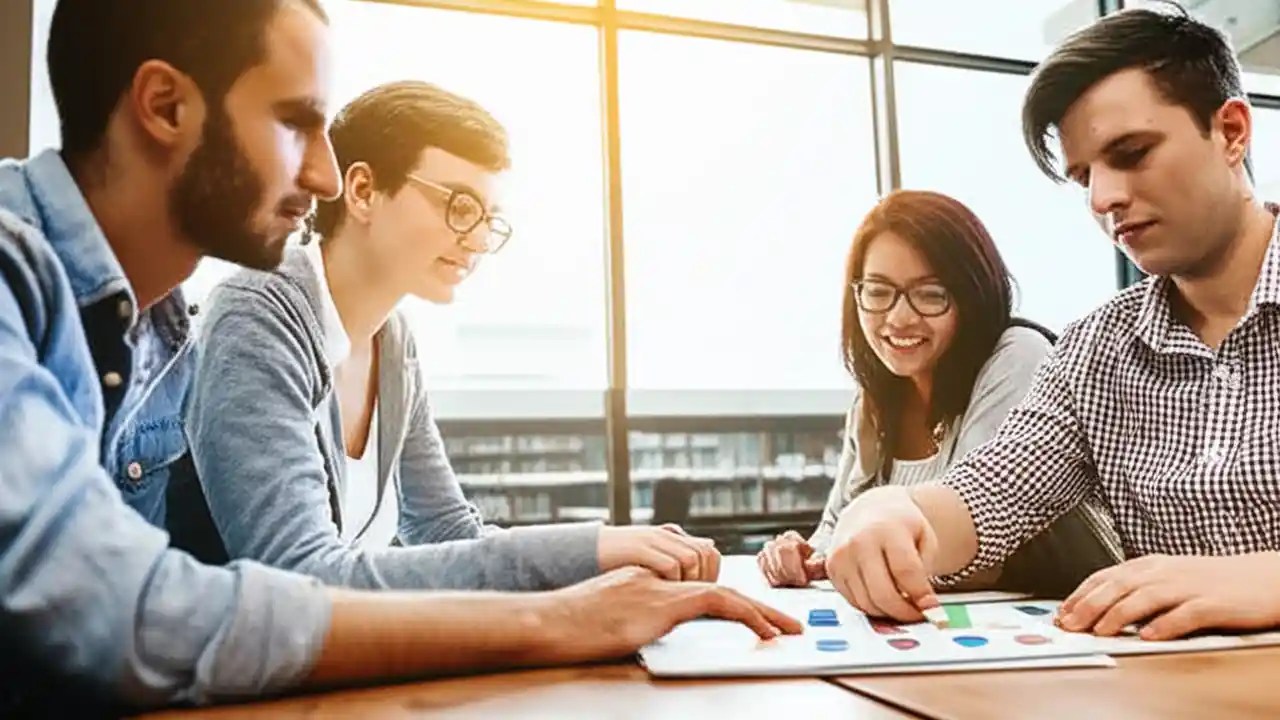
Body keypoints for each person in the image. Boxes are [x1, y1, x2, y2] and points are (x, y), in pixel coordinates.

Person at [0, 0, 798, 713]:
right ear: (164, 105)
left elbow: (441, 527)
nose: (319, 173)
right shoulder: (159, 297)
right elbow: (157, 612)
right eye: (294, 123)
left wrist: (590, 579)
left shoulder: (151, 325)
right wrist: (563, 609)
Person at [822, 5, 1280, 642]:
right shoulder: (1098, 348)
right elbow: (989, 495)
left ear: (1231, 131)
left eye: (1132, 153)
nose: (1103, 199)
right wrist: (887, 511)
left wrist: (1263, 579)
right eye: (1084, 175)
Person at [168, 80, 720, 589]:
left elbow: (445, 528)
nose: (478, 239)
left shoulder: (394, 341)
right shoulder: (257, 316)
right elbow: (301, 576)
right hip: (218, 687)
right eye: (459, 206)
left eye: (488, 217)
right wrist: (592, 549)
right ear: (362, 190)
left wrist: (605, 558)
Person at [755, 190, 1120, 594]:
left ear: (973, 294)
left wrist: (859, 557)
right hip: (942, 631)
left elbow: (982, 547)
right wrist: (799, 555)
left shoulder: (1017, 355)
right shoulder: (873, 405)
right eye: (878, 291)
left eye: (930, 295)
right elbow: (838, 531)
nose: (899, 318)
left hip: (1068, 624)